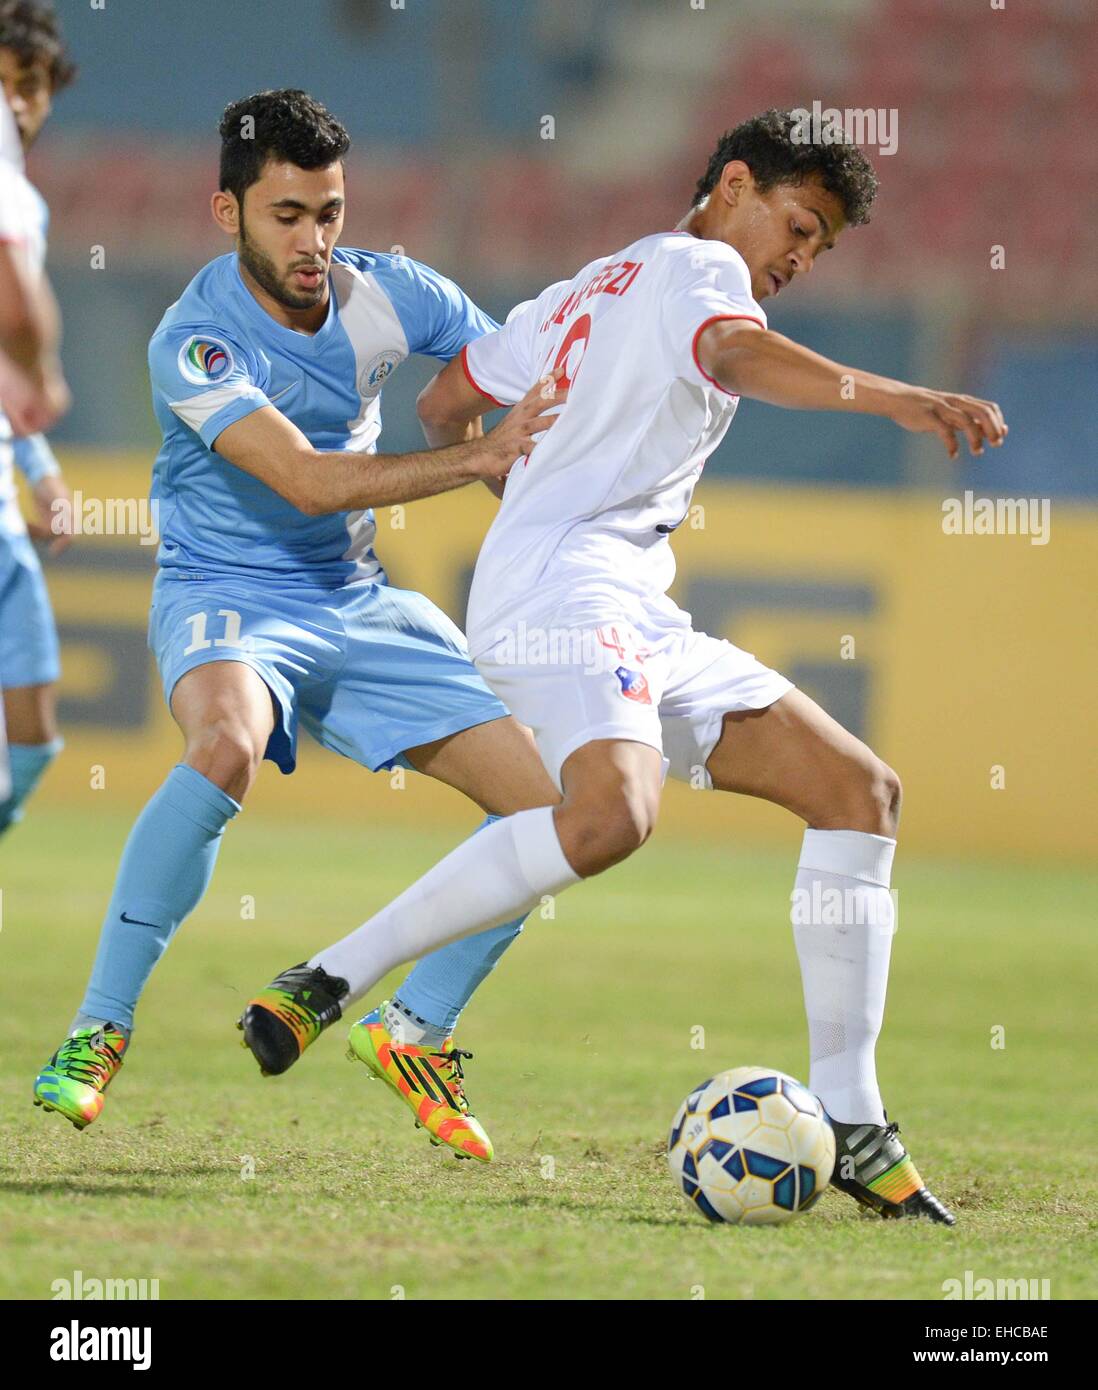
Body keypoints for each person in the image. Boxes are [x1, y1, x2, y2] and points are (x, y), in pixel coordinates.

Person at [245, 109, 1009, 1224]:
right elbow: (731, 353)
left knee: (859, 791)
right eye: (799, 226)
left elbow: (447, 400)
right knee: (613, 813)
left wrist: (531, 498)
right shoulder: (701, 268)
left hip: (619, 595)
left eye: (822, 247)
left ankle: (850, 1119)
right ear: (735, 184)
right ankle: (333, 978)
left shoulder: (583, 290)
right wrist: (898, 396)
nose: (800, 258)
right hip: (568, 594)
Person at [33, 89, 567, 1162]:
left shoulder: (392, 291)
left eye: (328, 211)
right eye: (287, 215)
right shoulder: (193, 341)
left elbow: (518, 372)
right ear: (227, 212)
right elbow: (310, 481)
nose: (315, 239)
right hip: (226, 588)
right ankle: (99, 1027)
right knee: (224, 743)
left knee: (558, 813)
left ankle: (416, 1030)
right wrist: (474, 459)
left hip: (358, 599)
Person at [0, 0, 74, 834]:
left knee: (34, 741)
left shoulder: (25, 199)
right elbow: (18, 332)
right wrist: (45, 371)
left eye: (34, 87)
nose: (21, 104)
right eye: (8, 85)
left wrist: (39, 468)